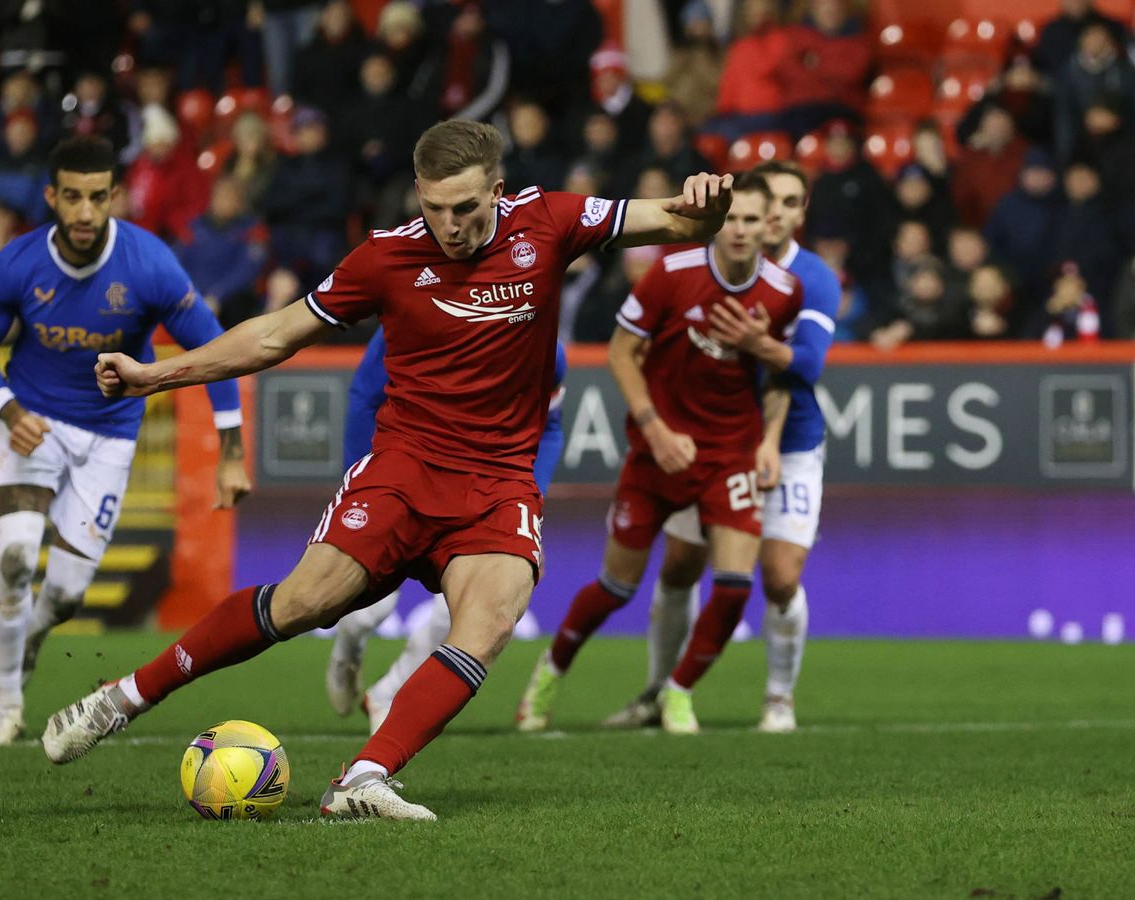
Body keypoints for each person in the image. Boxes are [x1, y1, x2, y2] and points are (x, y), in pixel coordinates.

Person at [40, 120, 737, 821]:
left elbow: (675, 221)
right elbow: (276, 333)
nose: (451, 226)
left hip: (496, 481)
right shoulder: (386, 257)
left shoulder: (550, 220)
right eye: (435, 208)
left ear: (498, 191)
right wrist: (154, 375)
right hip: (404, 468)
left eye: (466, 208)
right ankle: (122, 698)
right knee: (303, 603)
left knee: (492, 617)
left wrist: (704, 205)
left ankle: (363, 777)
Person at [0, 136, 250, 748]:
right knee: (14, 556)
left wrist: (232, 451)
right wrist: (6, 409)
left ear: (114, 195)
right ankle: (5, 705)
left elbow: (214, 348)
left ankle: (32, 635)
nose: (85, 212)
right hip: (30, 421)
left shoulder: (149, 264)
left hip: (111, 436)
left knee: (64, 596)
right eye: (72, 197)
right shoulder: (16, 263)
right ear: (51, 197)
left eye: (97, 197)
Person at [516, 174, 801, 736]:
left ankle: (678, 693)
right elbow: (622, 353)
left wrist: (769, 440)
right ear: (718, 220)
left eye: (751, 219)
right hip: (657, 451)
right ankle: (549, 672)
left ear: (768, 226)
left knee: (735, 585)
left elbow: (777, 377)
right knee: (616, 586)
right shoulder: (671, 275)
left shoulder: (783, 291)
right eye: (732, 217)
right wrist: (655, 428)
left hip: (730, 453)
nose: (739, 229)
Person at [601, 160, 840, 733]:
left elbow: (805, 364)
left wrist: (761, 348)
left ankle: (778, 697)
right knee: (681, 565)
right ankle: (659, 691)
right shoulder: (703, 265)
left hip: (787, 444)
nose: (775, 213)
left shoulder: (811, 280)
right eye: (767, 201)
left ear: (799, 213)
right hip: (711, 442)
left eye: (788, 202)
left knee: (779, 577)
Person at [325, 334, 567, 731]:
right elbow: (365, 396)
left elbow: (550, 426)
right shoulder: (413, 310)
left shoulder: (542, 341)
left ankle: (389, 691)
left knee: (469, 605)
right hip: (401, 473)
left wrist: (530, 509)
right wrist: (360, 479)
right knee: (372, 608)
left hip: (482, 488)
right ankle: (348, 648)